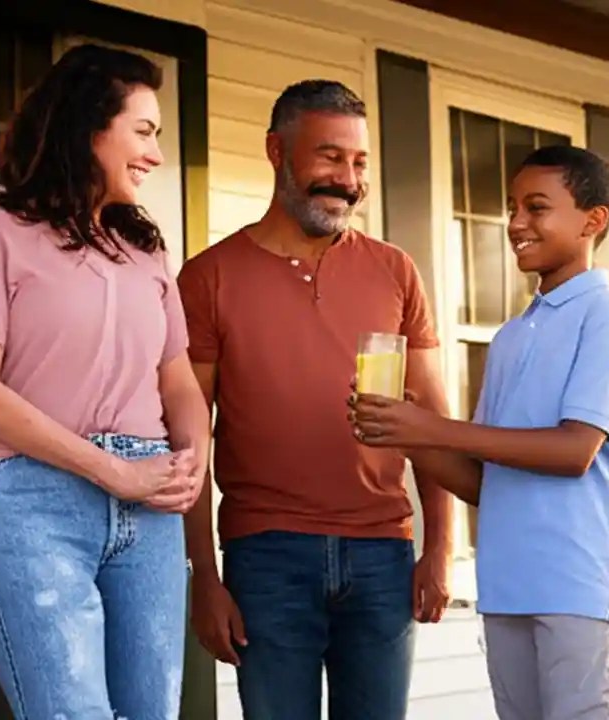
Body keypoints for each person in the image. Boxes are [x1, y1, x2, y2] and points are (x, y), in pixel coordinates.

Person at [177, 79, 455, 720]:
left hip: (383, 552)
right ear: (277, 151)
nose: (348, 181)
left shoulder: (395, 270)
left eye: (359, 163)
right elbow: (189, 438)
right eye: (330, 157)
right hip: (266, 556)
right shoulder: (209, 277)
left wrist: (439, 547)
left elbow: (431, 421)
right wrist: (205, 578)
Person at [350, 145, 609, 720]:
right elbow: (483, 482)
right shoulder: (510, 337)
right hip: (507, 583)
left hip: (578, 582)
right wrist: (406, 436)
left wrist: (435, 427)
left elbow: (575, 450)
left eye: (537, 208)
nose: (515, 223)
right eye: (512, 207)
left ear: (593, 220)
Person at [0, 44, 210, 719]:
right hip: (33, 498)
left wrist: (195, 455)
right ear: (87, 128)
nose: (156, 155)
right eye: (143, 132)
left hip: (151, 504)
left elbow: (178, 381)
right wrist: (112, 471)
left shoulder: (145, 251)